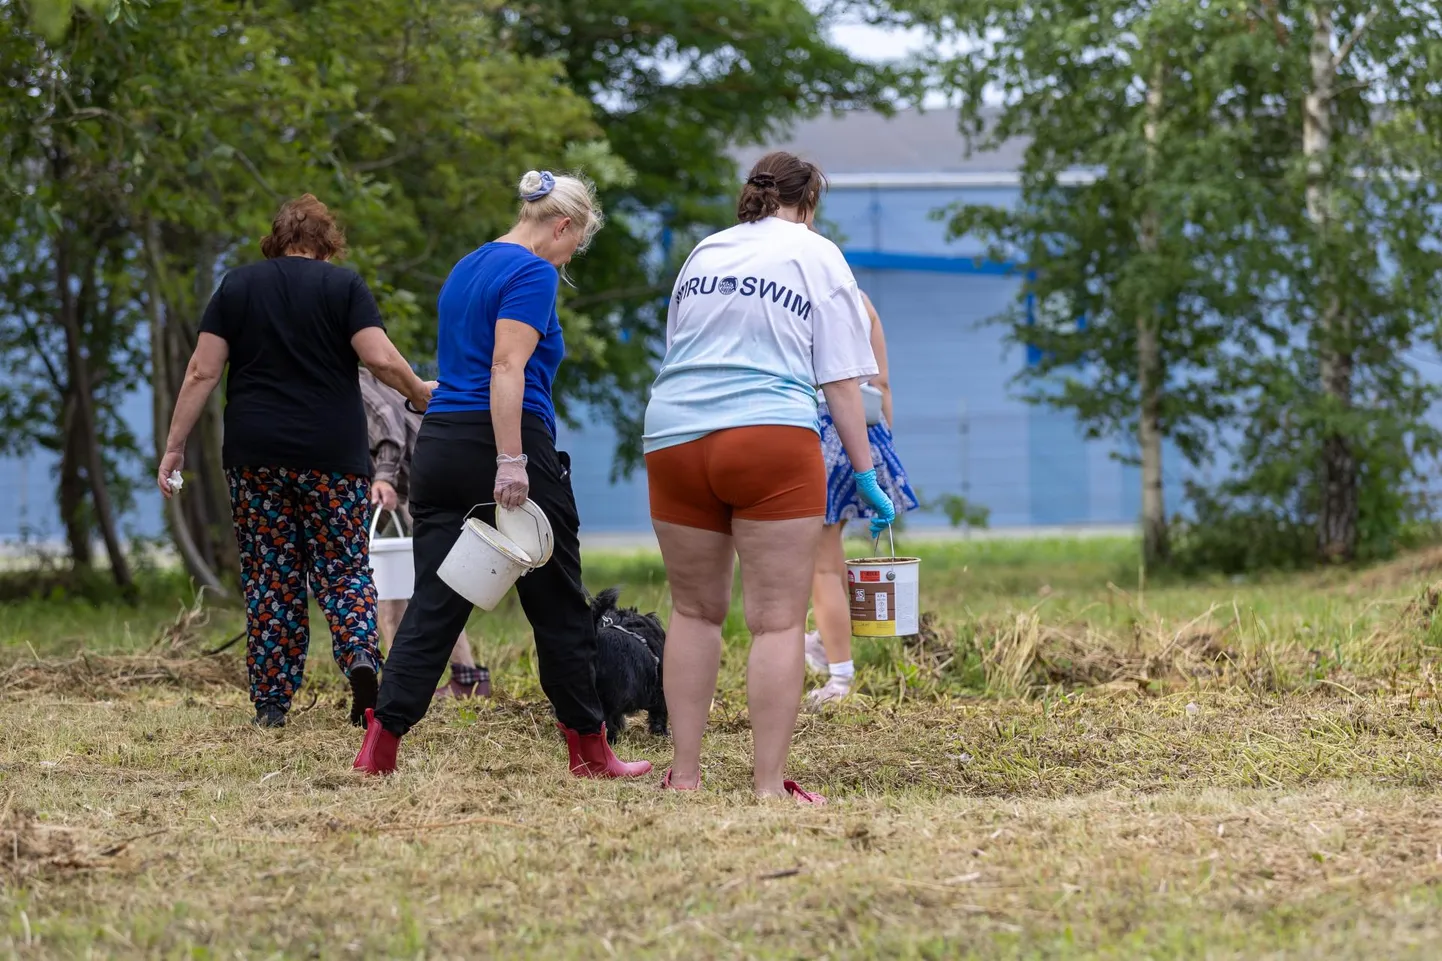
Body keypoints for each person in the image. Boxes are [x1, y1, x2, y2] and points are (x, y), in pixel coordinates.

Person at [354, 170, 651, 780]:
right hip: (504, 445)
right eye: (575, 245)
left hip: (439, 444)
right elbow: (507, 367)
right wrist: (511, 461)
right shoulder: (533, 271)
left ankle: (378, 748)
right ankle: (590, 753)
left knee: (435, 603)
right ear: (561, 226)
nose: (569, 259)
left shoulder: (468, 265)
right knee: (559, 606)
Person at [642, 151, 896, 803]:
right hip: (768, 435)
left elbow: (679, 349)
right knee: (778, 621)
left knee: (694, 612)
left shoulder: (704, 254)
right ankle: (765, 786)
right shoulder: (817, 254)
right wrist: (865, 474)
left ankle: (687, 775)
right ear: (808, 203)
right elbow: (842, 380)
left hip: (673, 434)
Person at [158, 193, 433, 730]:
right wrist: (420, 393)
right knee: (344, 567)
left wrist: (175, 445)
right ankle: (358, 656)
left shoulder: (236, 285)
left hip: (255, 458)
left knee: (271, 576)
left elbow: (201, 372)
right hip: (333, 458)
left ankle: (271, 702)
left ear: (276, 240)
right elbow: (377, 357)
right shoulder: (344, 286)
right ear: (326, 245)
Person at [803, 289, 919, 707]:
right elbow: (882, 382)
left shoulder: (806, 295)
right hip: (864, 434)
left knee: (822, 565)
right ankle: (822, 642)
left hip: (817, 428)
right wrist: (878, 452)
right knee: (829, 555)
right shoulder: (864, 301)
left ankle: (838, 674)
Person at [359, 369, 490, 698]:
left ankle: (398, 685)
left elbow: (387, 421)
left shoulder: (351, 379)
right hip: (425, 481)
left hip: (407, 488)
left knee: (390, 587)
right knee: (435, 584)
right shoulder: (370, 375)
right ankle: (467, 676)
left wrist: (384, 478)